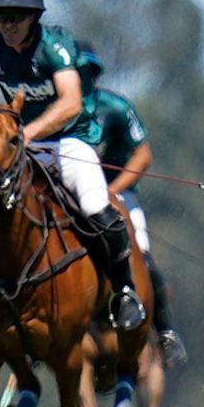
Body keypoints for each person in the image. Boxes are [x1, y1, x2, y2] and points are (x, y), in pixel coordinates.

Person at [0, 0, 145, 332]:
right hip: (17, 148)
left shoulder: (54, 47)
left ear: (34, 17)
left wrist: (26, 134)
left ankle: (124, 292)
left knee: (98, 211)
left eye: (17, 17)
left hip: (67, 142)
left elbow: (71, 102)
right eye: (2, 17)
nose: (8, 25)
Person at [76, 40, 187, 368]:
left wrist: (114, 189)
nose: (80, 78)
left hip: (117, 195)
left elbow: (143, 155)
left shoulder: (115, 108)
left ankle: (165, 332)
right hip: (69, 192)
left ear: (94, 73)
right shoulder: (56, 109)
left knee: (143, 255)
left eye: (86, 71)